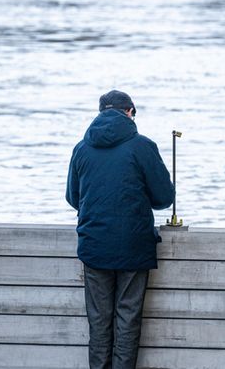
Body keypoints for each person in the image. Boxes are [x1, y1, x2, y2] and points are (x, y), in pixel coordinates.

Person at [66, 90, 174, 369]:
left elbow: (73, 197)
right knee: (128, 318)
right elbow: (164, 198)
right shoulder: (142, 146)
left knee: (99, 321)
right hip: (134, 245)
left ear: (100, 112)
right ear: (129, 112)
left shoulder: (81, 148)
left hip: (94, 245)